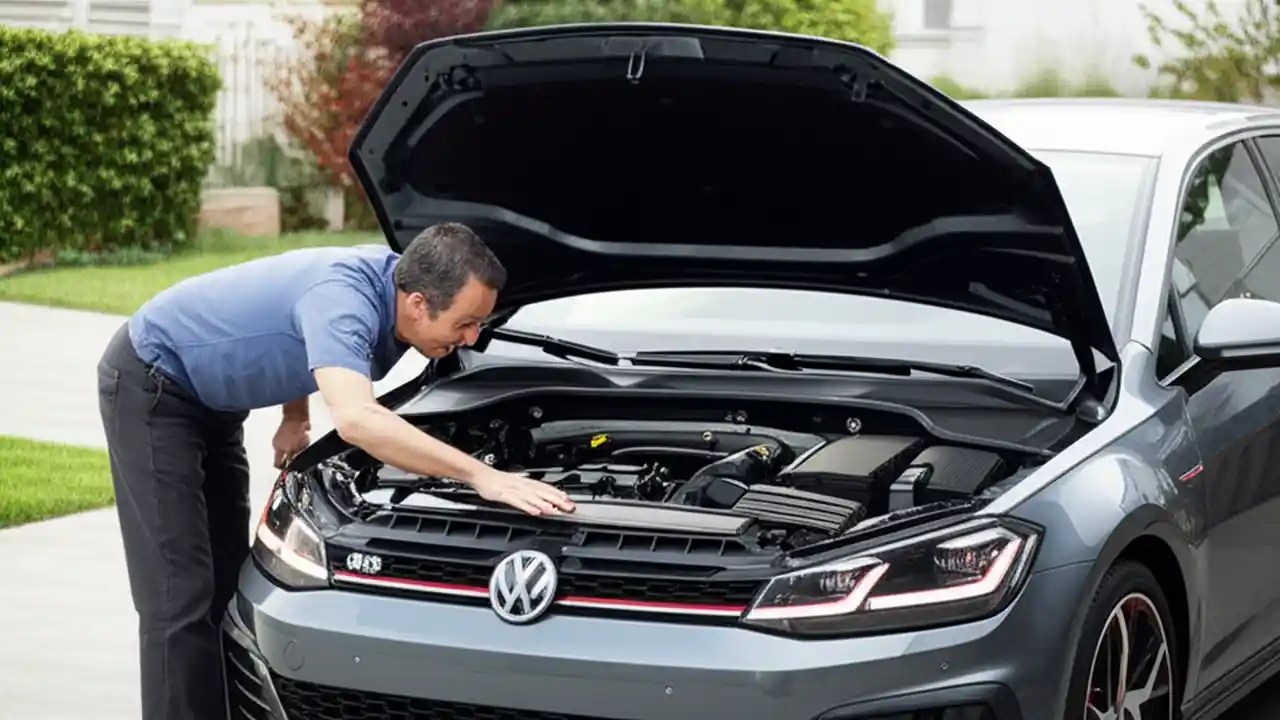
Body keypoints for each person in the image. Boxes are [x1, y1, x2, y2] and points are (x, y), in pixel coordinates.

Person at [95, 221, 575, 720]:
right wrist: (482, 476)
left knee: (225, 581)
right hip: (154, 384)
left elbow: (302, 341)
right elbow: (356, 420)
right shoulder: (346, 301)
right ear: (417, 304)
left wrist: (294, 418)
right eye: (466, 322)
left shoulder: (396, 288)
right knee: (178, 599)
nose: (474, 337)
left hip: (215, 404)